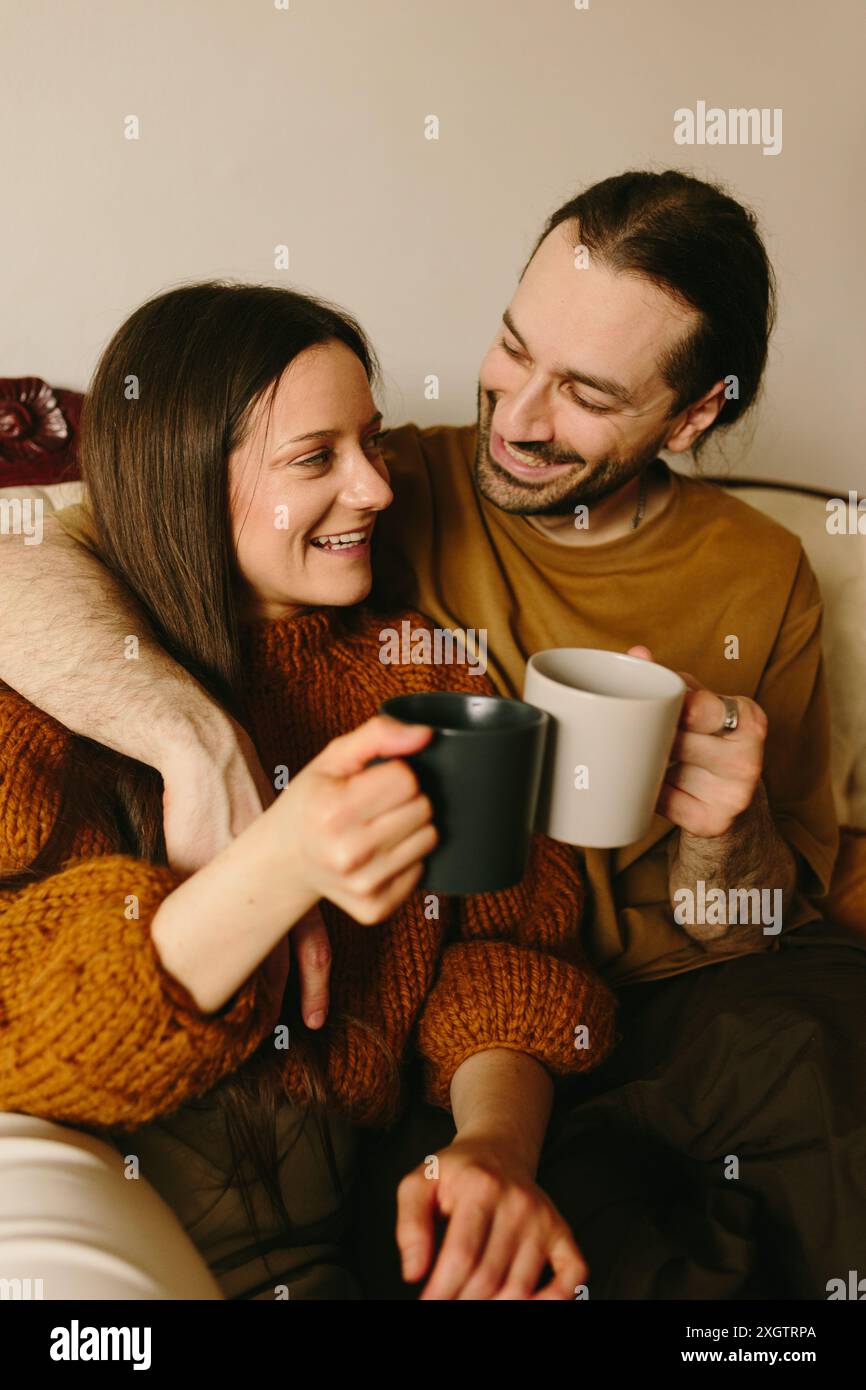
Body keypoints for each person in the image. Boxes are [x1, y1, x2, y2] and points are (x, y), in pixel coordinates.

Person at [2, 168, 864, 1297]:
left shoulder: (740, 578)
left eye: (587, 394)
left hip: (618, 1015)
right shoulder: (389, 490)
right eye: (512, 349)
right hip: (248, 1140)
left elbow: (550, 940)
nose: (513, 416)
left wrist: (723, 829)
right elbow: (53, 553)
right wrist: (207, 761)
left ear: (693, 412)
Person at [0, 282, 618, 1301]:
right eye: (315, 457)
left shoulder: (428, 679)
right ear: (184, 480)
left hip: (329, 1227)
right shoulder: (52, 688)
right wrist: (271, 868)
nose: (376, 487)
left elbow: (504, 954)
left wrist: (493, 1150)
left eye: (369, 443)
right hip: (85, 1210)